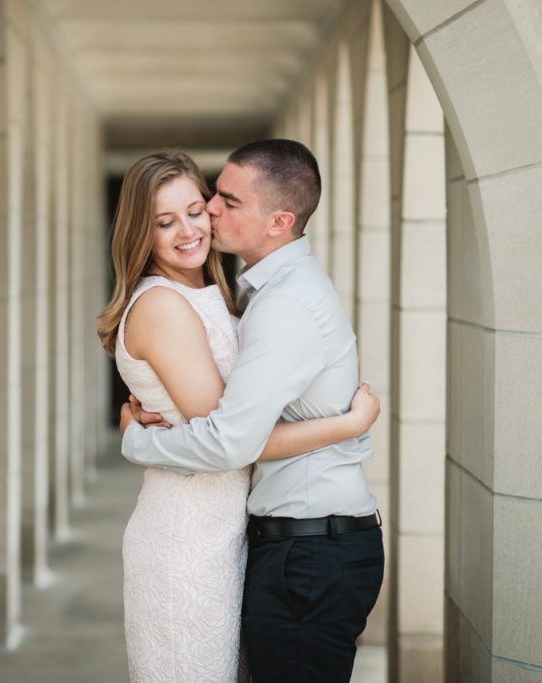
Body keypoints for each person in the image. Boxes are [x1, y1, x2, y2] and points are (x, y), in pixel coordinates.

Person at [98, 149, 380, 683]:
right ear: (141, 232)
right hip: (191, 533)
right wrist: (349, 424)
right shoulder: (164, 304)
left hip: (237, 533)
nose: (194, 226)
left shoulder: (235, 295)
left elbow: (231, 432)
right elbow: (230, 442)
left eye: (198, 208)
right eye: (165, 221)